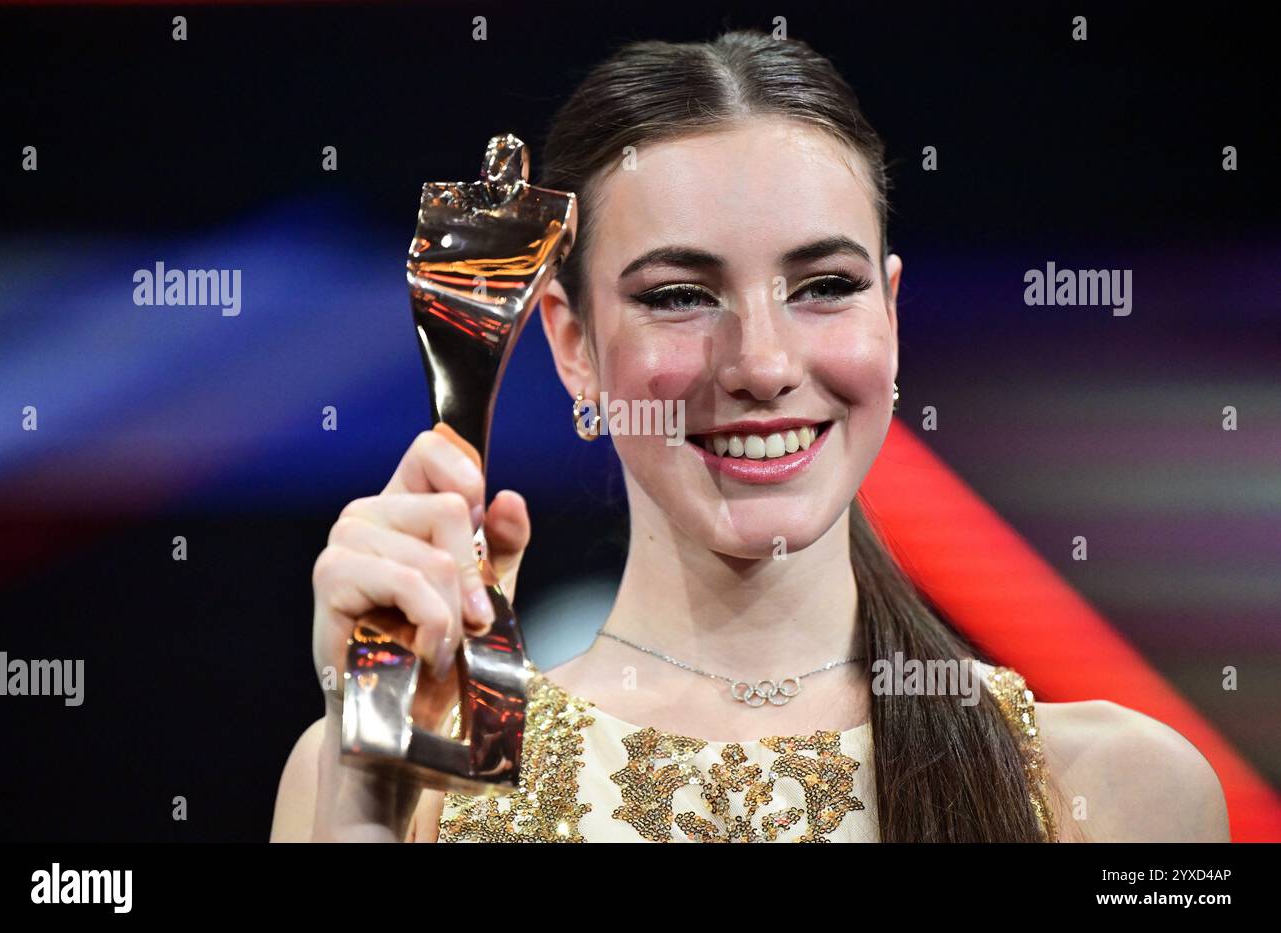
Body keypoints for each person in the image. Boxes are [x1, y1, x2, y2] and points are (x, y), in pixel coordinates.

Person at [270, 29, 1229, 843]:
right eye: (679, 296)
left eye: (824, 287)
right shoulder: (395, 769)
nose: (762, 364)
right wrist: (366, 805)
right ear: (572, 346)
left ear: (889, 317)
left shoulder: (1116, 792)